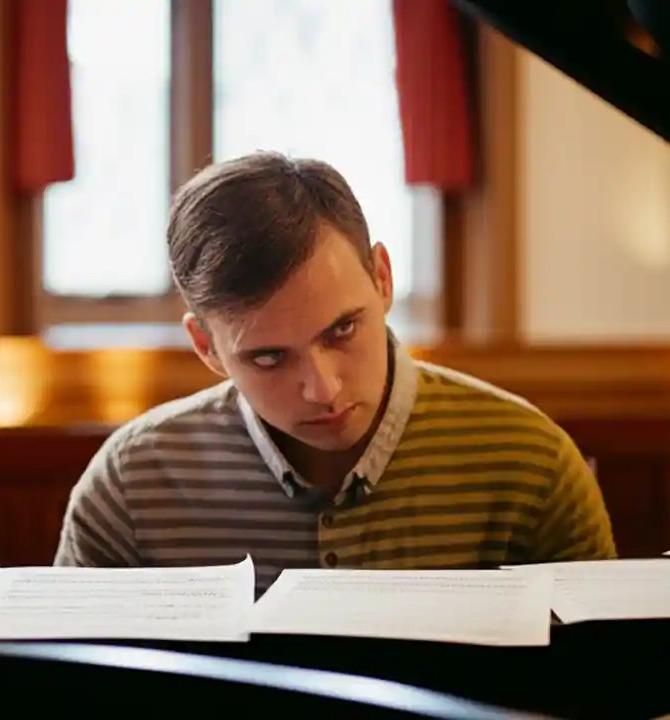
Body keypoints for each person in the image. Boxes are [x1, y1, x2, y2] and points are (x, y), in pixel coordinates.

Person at [53, 151, 616, 594]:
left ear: (383, 277)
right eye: (269, 357)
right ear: (207, 347)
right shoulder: (130, 487)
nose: (323, 389)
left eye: (342, 331)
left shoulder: (533, 467)